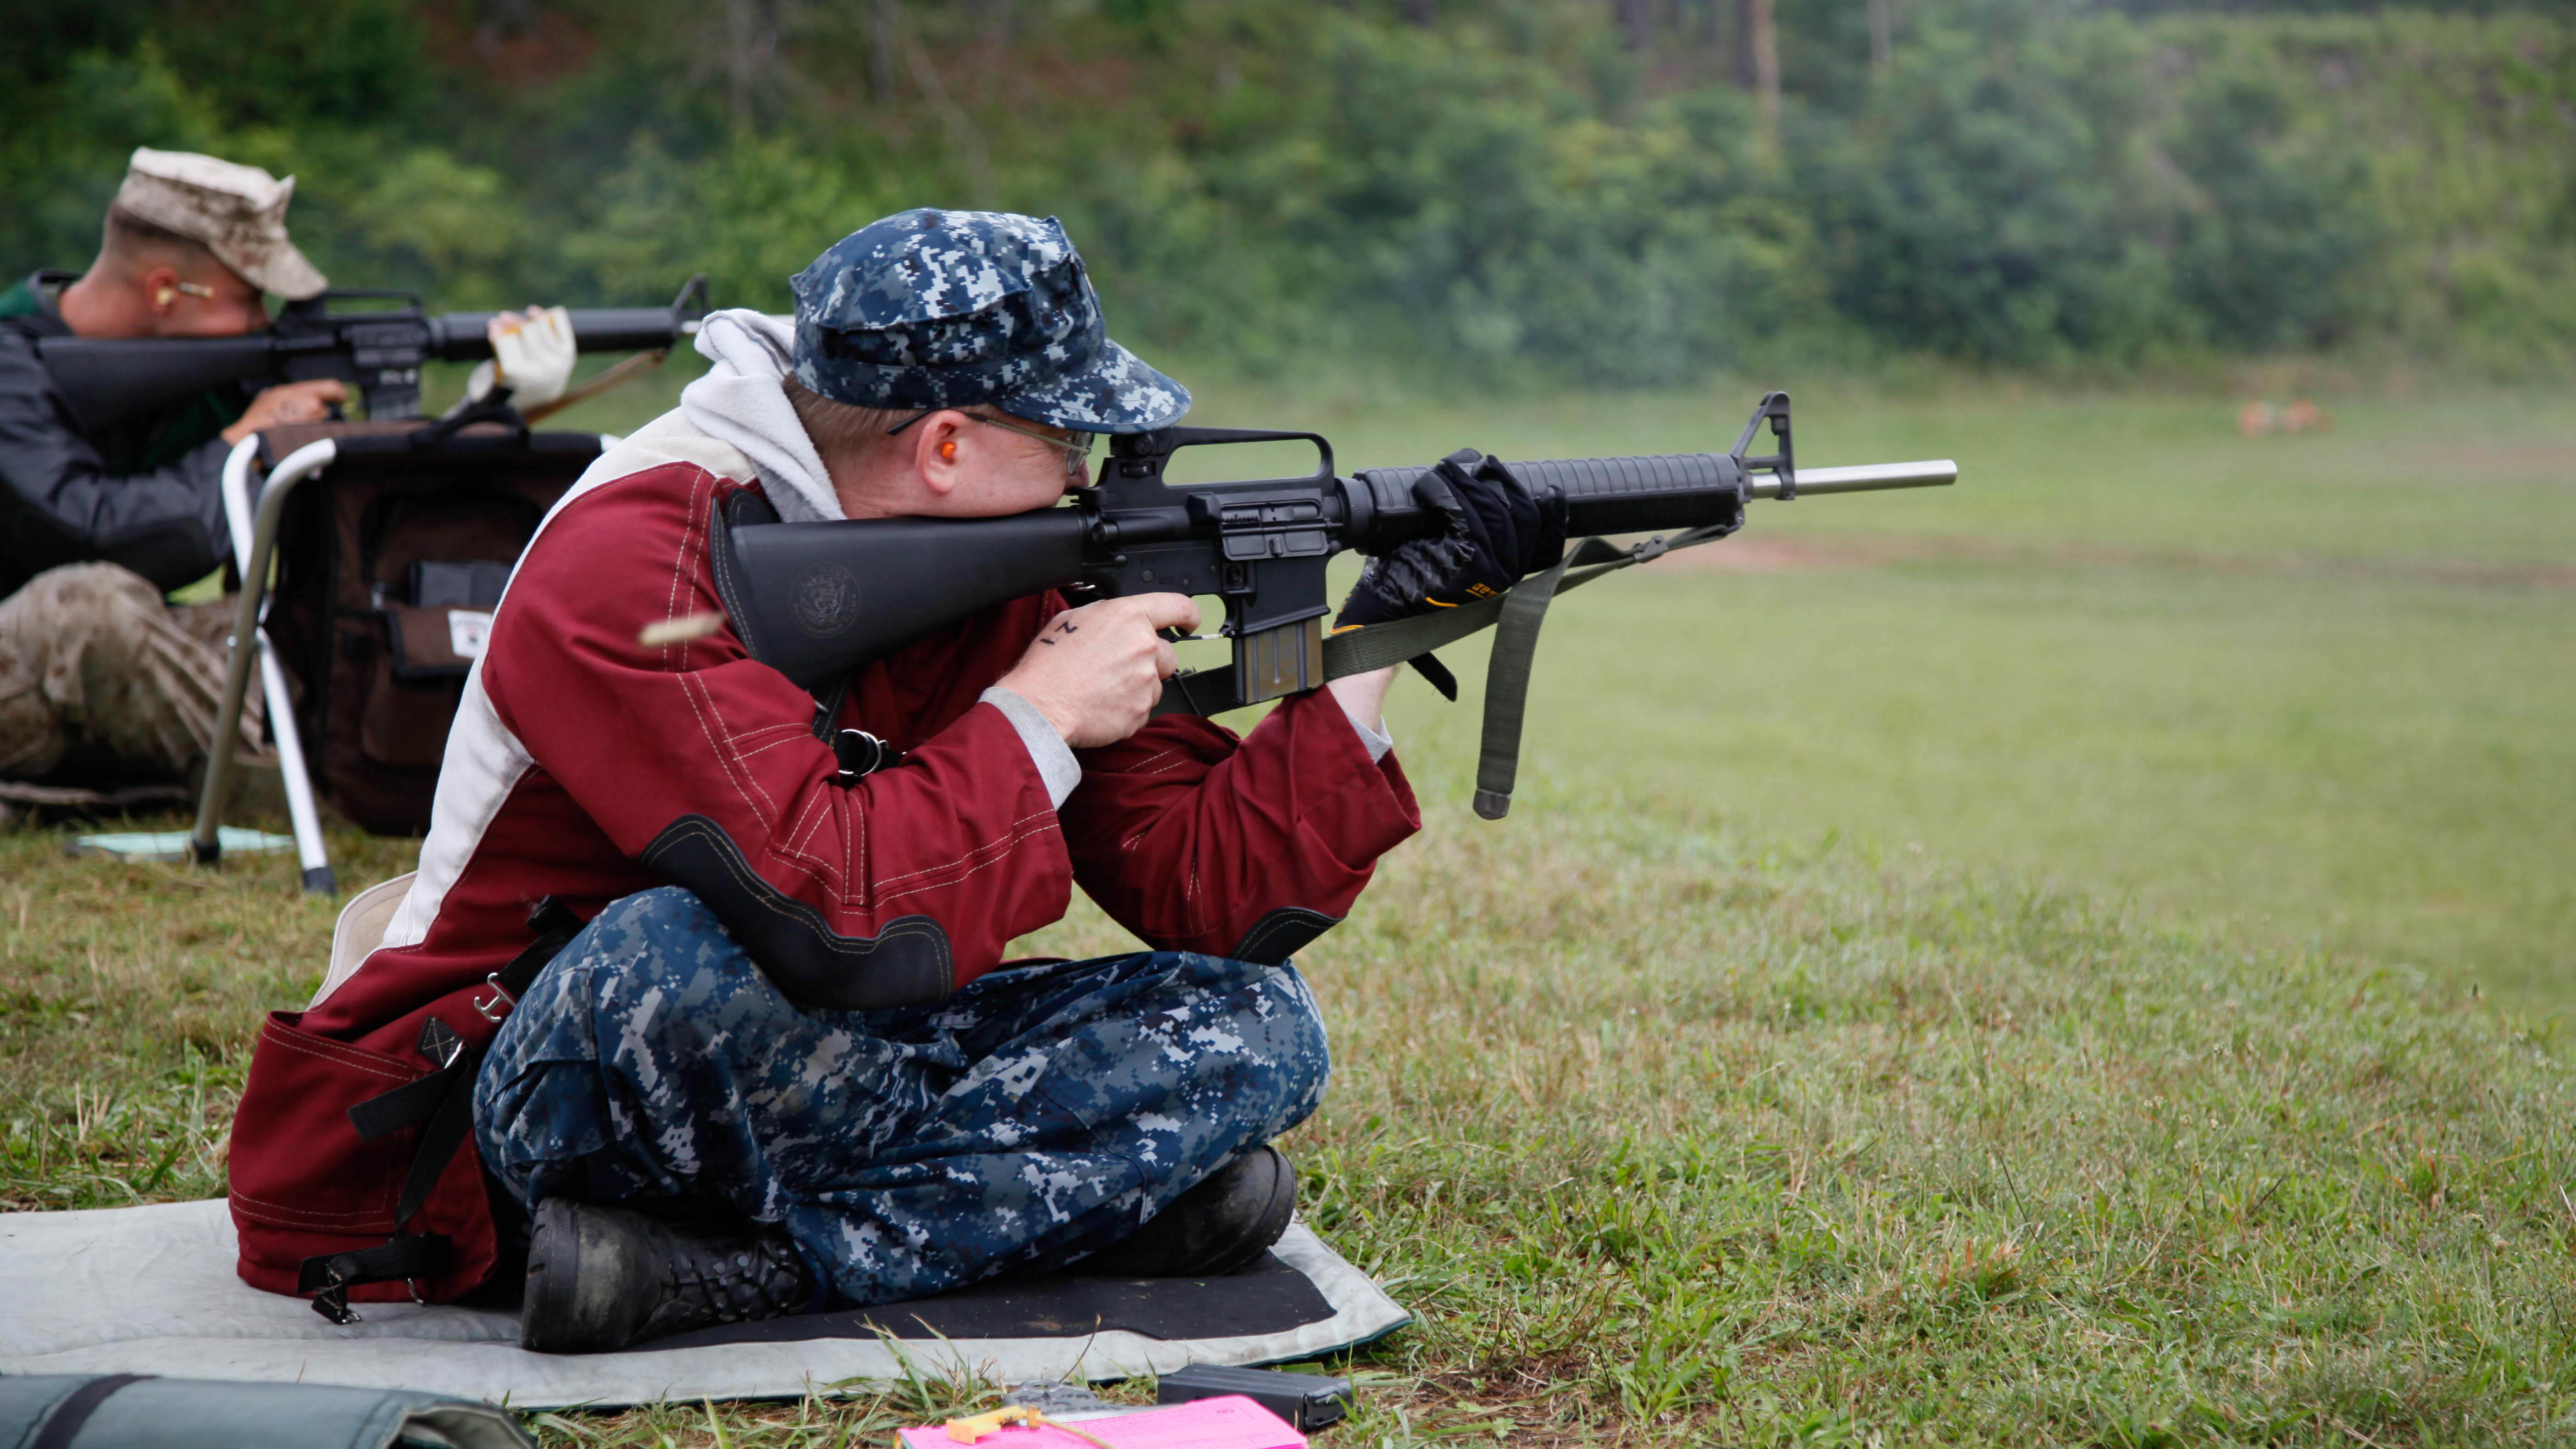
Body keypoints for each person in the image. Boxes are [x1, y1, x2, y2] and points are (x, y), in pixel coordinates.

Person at [224, 209, 1566, 1352]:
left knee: (1258, 1026)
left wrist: (1373, 647)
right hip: (512, 1092)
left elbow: (1211, 891)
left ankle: (737, 1269)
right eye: (1072, 443)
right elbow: (833, 911)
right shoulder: (637, 558)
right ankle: (1045, 1209)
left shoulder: (988, 555)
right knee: (681, 959)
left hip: (810, 1057)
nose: (1090, 484)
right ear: (944, 446)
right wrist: (1039, 713)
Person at [0, 148, 571, 801]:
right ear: (164, 290)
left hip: (83, 679)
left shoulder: (206, 365)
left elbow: (379, 516)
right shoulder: (13, 364)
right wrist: (242, 442)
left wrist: (495, 409)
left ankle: (373, 760)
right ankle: (297, 792)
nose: (262, 325)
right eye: (249, 301)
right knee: (89, 607)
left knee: (294, 623)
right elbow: (91, 533)